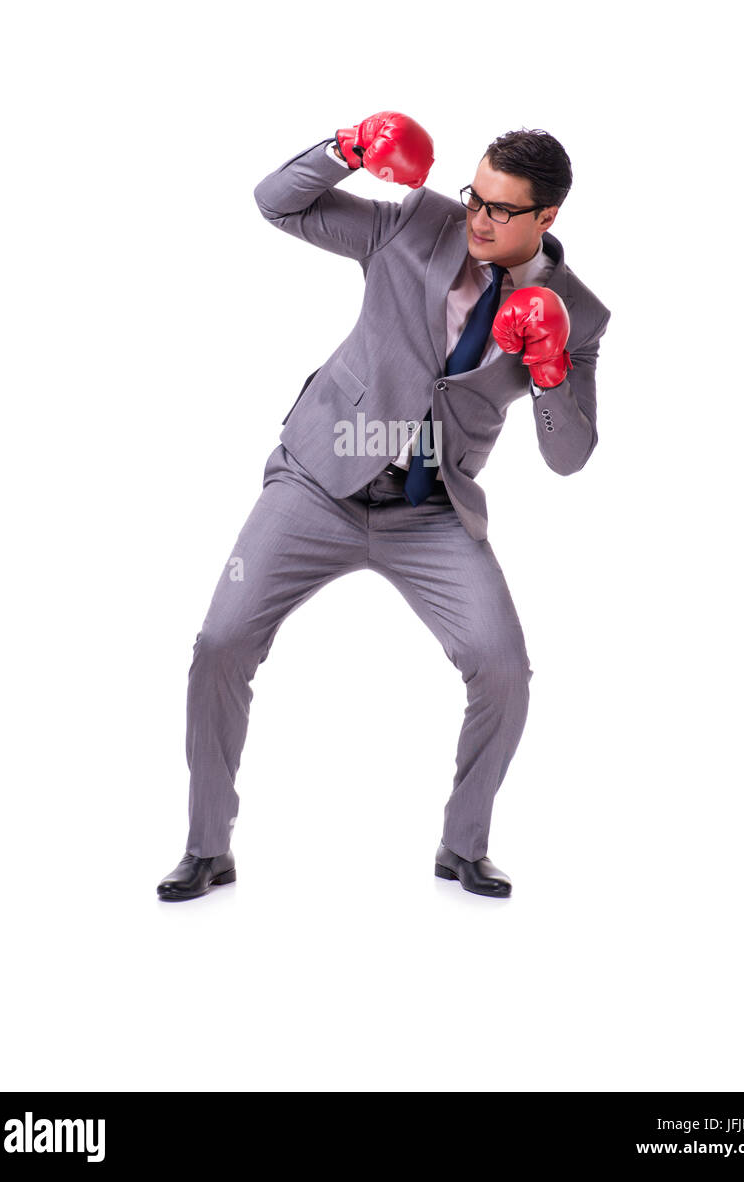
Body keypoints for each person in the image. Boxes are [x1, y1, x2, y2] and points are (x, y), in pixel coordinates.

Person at [156, 112, 611, 902]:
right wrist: (345, 148)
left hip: (431, 510)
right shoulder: (416, 225)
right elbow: (277, 204)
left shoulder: (578, 313)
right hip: (317, 480)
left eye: (501, 210)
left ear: (546, 216)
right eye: (476, 195)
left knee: (504, 670)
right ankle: (206, 846)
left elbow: (568, 456)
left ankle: (463, 847)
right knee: (220, 642)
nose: (477, 217)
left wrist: (545, 371)